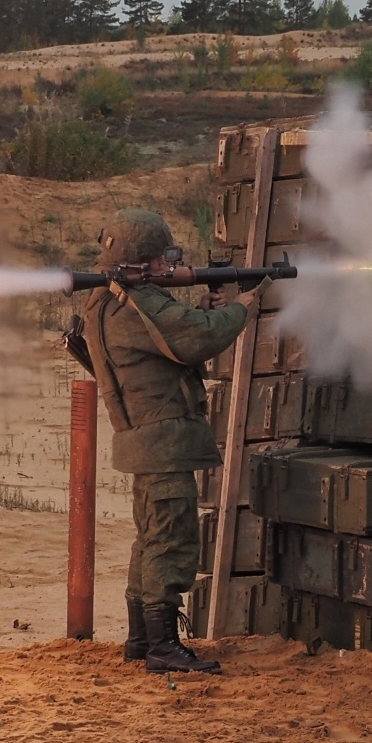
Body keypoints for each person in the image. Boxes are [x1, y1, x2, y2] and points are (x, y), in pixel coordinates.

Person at [82, 208, 261, 674]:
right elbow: (196, 339)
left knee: (150, 539)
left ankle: (143, 638)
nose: (169, 266)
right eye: (163, 259)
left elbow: (173, 332)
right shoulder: (139, 304)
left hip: (144, 439)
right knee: (171, 540)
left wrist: (202, 309)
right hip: (163, 439)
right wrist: (243, 306)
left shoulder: (106, 301)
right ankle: (163, 647)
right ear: (141, 262)